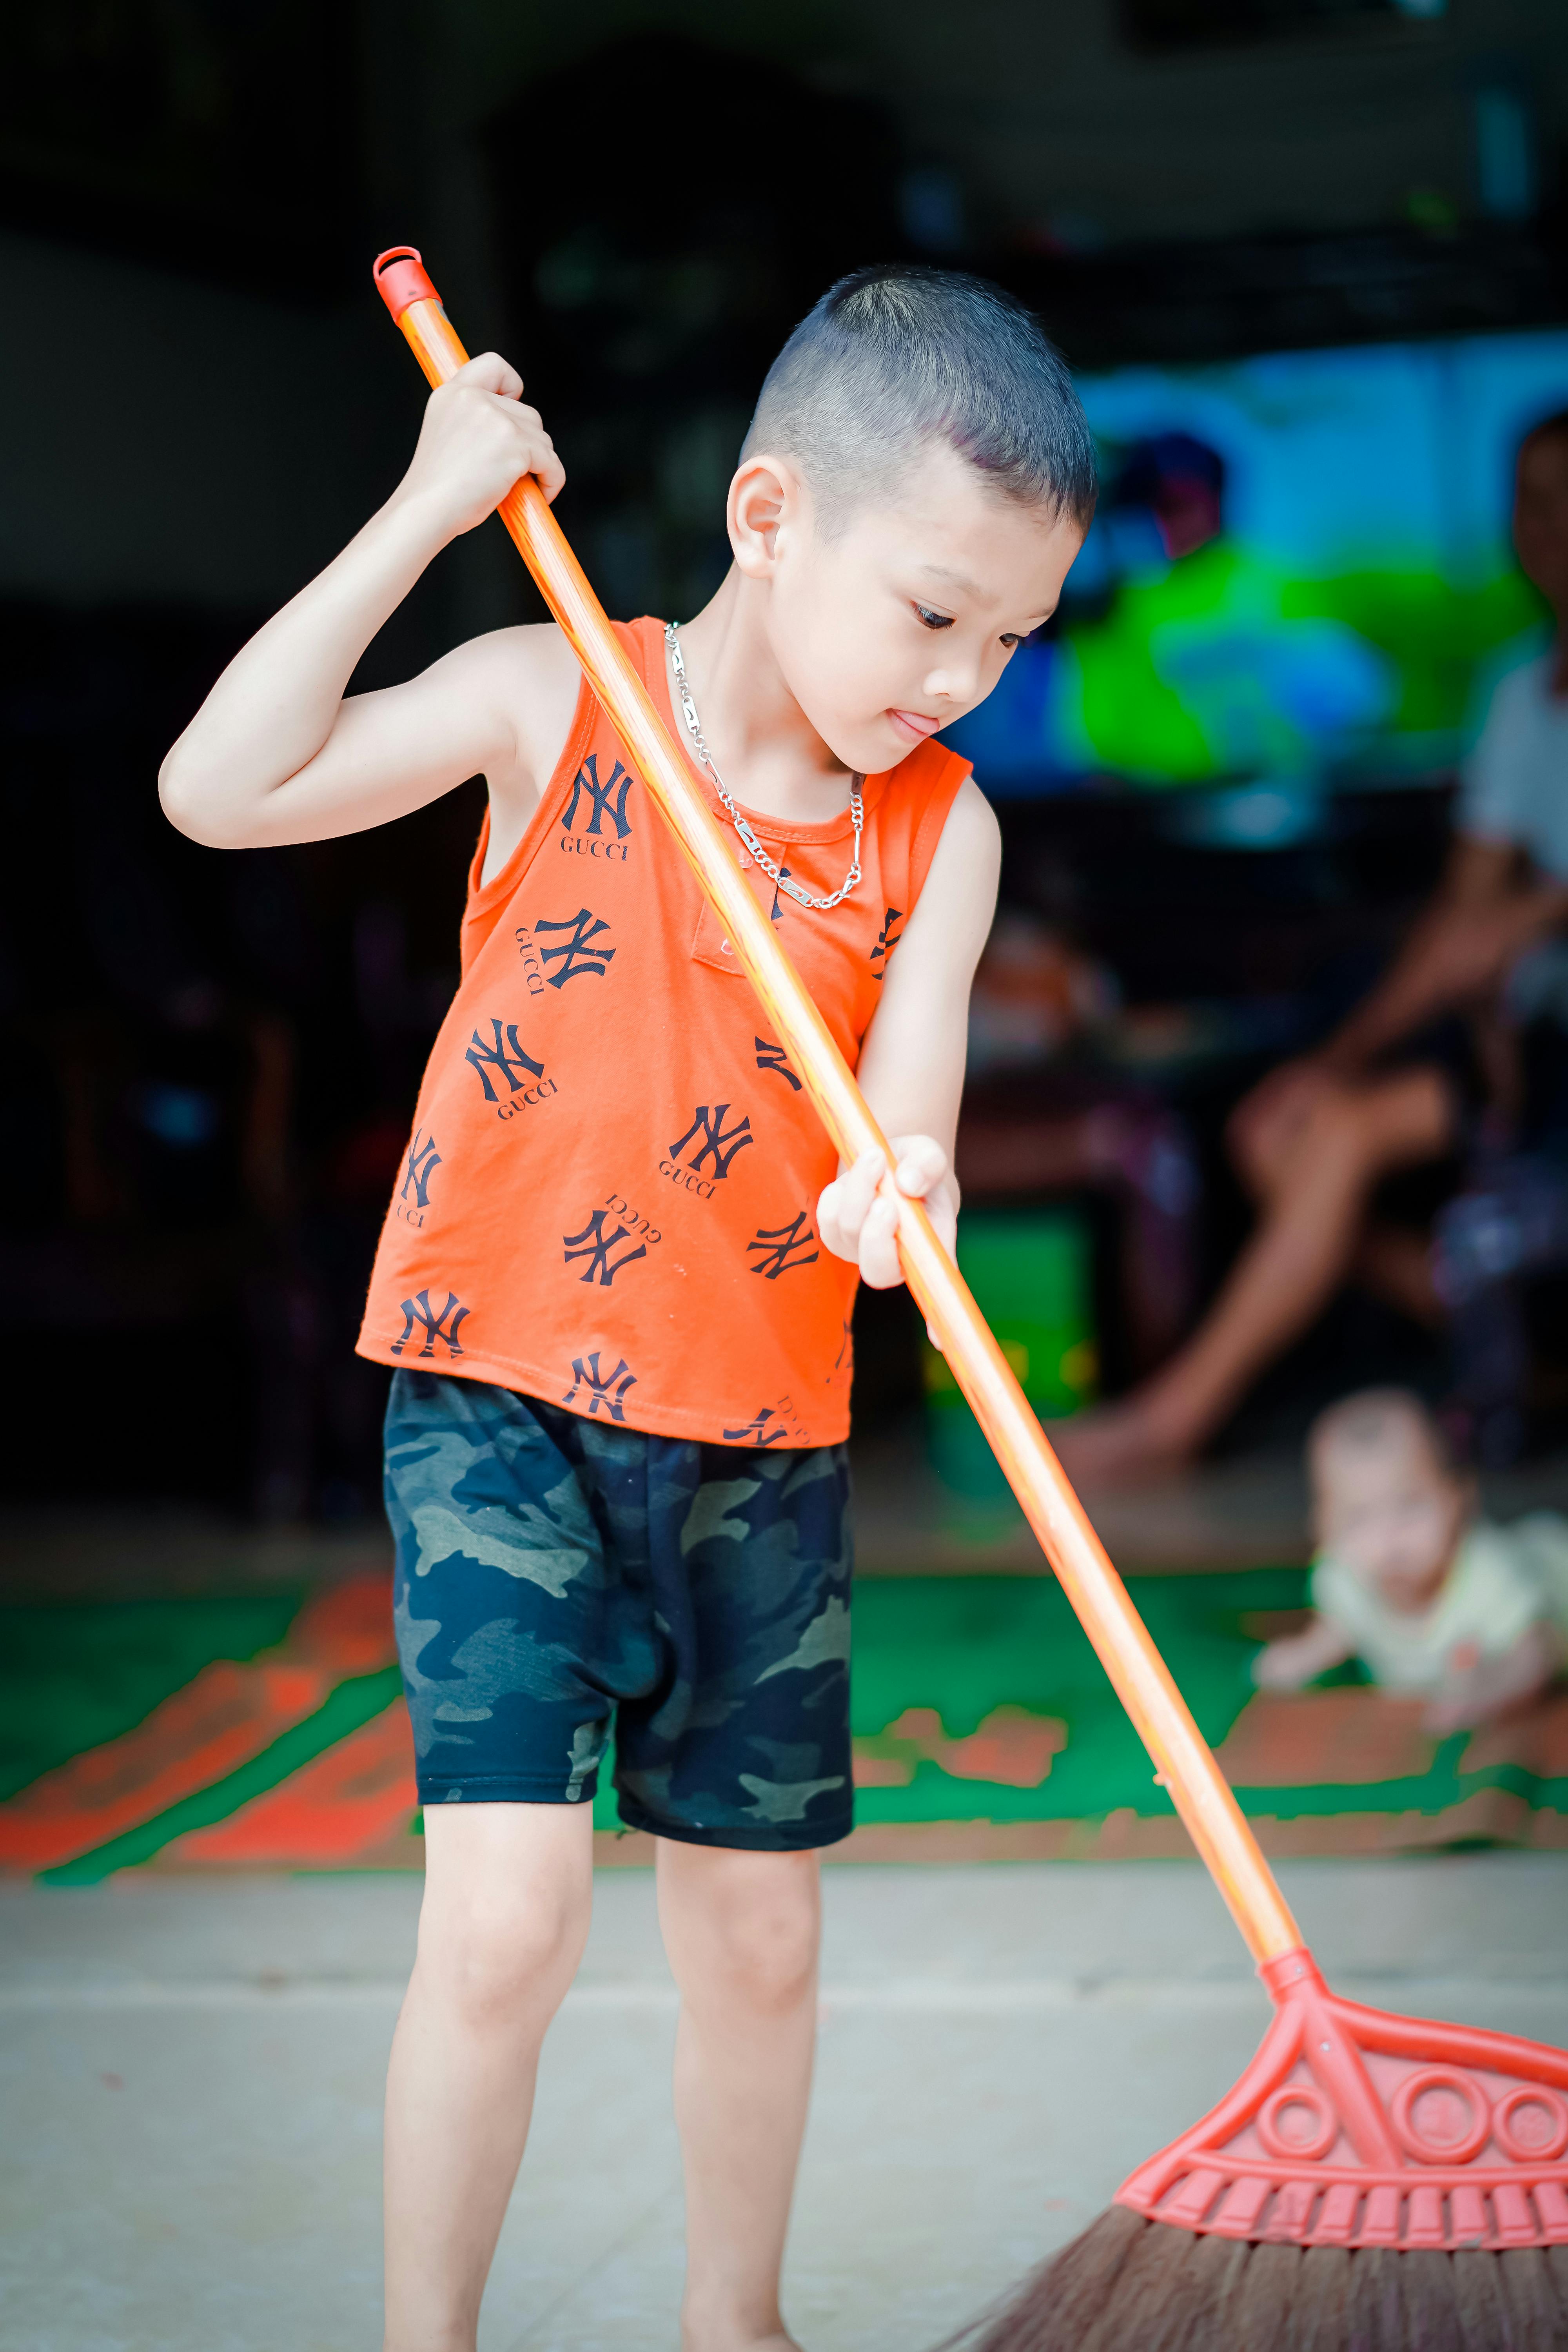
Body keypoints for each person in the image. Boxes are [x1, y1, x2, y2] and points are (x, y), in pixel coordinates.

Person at [159, 266, 1092, 2352]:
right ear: (771, 519)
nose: (964, 677)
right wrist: (422, 510)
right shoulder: (553, 691)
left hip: (763, 1427)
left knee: (756, 1938)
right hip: (496, 1396)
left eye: (1010, 639)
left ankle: (731, 2322)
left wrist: (901, 1193)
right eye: (933, 611)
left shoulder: (944, 834)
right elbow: (215, 789)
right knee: (507, 1919)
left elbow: (906, 1120)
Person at [1056, 407, 1568, 1484]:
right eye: (1527, 501)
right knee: (1274, 1131)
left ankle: (1175, 1420)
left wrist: (1515, 937)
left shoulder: (1275, 599)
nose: (1544, 526)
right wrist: (1347, 1055)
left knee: (1325, 1135)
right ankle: (1529, 1363)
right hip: (1525, 1045)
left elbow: (1494, 927)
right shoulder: (1524, 696)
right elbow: (1460, 924)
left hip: (1537, 1051)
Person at [1253, 1388, 1568, 1735]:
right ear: (1323, 1528)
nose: (1390, 1542)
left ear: (1458, 1499)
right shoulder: (1342, 1576)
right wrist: (1307, 1654)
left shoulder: (1489, 1574)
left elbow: (1537, 1653)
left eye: (1410, 1508)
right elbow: (1340, 1626)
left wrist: (1494, 1687)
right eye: (1359, 1519)